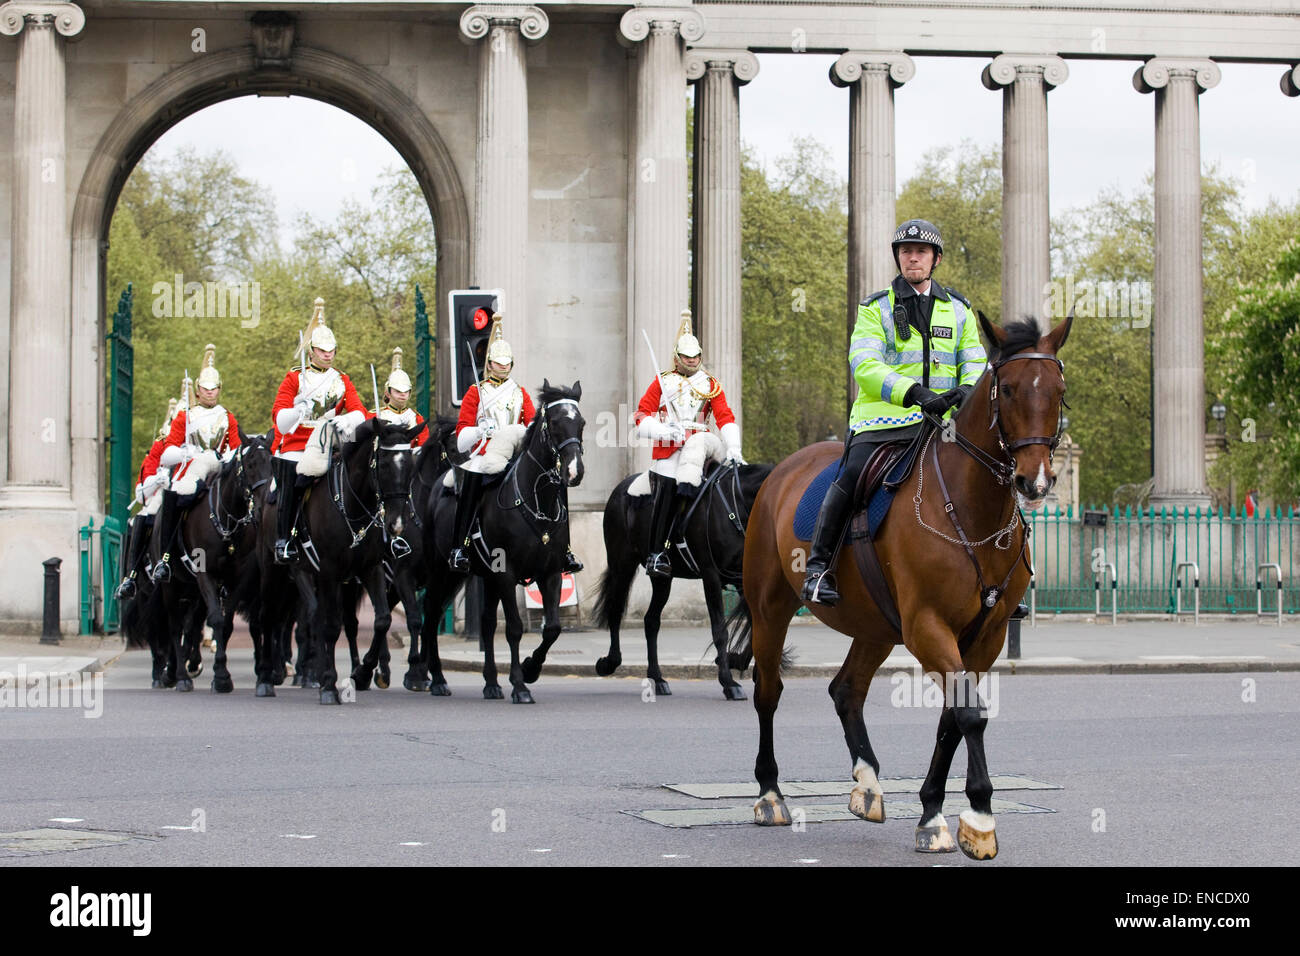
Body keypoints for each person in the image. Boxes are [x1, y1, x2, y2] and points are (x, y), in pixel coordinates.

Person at [800, 219, 988, 606]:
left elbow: (974, 360)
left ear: (935, 259)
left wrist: (963, 392)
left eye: (921, 251)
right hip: (884, 422)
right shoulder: (875, 308)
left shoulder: (959, 309)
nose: (912, 257)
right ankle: (818, 570)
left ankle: (1004, 576)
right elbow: (864, 364)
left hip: (945, 424)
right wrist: (914, 393)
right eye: (906, 251)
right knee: (851, 476)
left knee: (993, 472)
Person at [634, 309, 743, 579]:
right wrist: (662, 430)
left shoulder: (711, 384)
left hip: (702, 444)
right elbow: (640, 416)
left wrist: (734, 446)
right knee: (668, 482)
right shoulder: (662, 382)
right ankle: (657, 552)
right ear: (677, 357)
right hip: (671, 446)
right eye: (686, 357)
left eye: (696, 357)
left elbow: (724, 416)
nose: (692, 361)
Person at [270, 298, 368, 563]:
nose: (328, 355)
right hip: (297, 445)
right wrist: (296, 410)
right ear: (311, 350)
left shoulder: (342, 379)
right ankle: (284, 540)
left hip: (328, 443)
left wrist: (350, 420)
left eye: (331, 350)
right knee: (292, 475)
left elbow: (360, 409)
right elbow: (279, 420)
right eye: (322, 350)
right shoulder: (294, 378)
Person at [151, 346, 242, 583]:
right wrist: (185, 452)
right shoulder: (186, 416)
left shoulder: (227, 416)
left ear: (219, 389)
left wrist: (229, 458)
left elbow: (235, 446)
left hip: (220, 466)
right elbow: (169, 448)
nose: (210, 393)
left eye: (214, 389)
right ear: (198, 391)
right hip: (192, 466)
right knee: (177, 495)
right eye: (205, 389)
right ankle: (166, 558)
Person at [113, 396, 179, 601]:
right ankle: (132, 576)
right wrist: (158, 480)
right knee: (142, 518)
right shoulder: (159, 448)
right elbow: (141, 494)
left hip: (186, 488)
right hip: (160, 495)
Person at [370, 347, 428, 448]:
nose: (402, 394)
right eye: (398, 391)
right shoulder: (374, 415)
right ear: (388, 393)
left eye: (406, 391)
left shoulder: (417, 418)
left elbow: (423, 447)